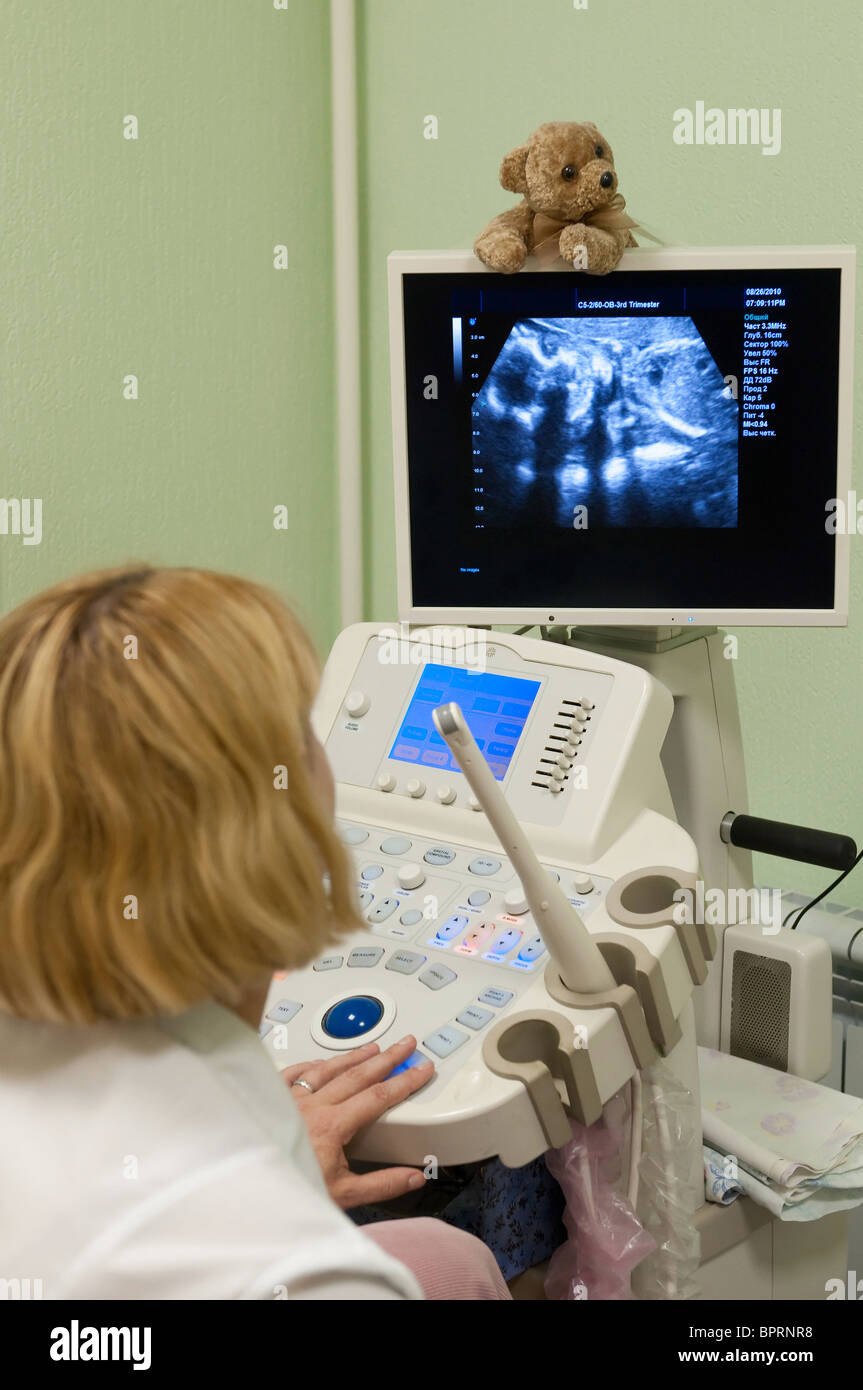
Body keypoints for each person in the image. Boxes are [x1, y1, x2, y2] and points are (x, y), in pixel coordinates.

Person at [0, 565, 510, 1301]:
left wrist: (264, 1136)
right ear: (270, 828)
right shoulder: (301, 1278)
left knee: (446, 1257)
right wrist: (256, 1170)